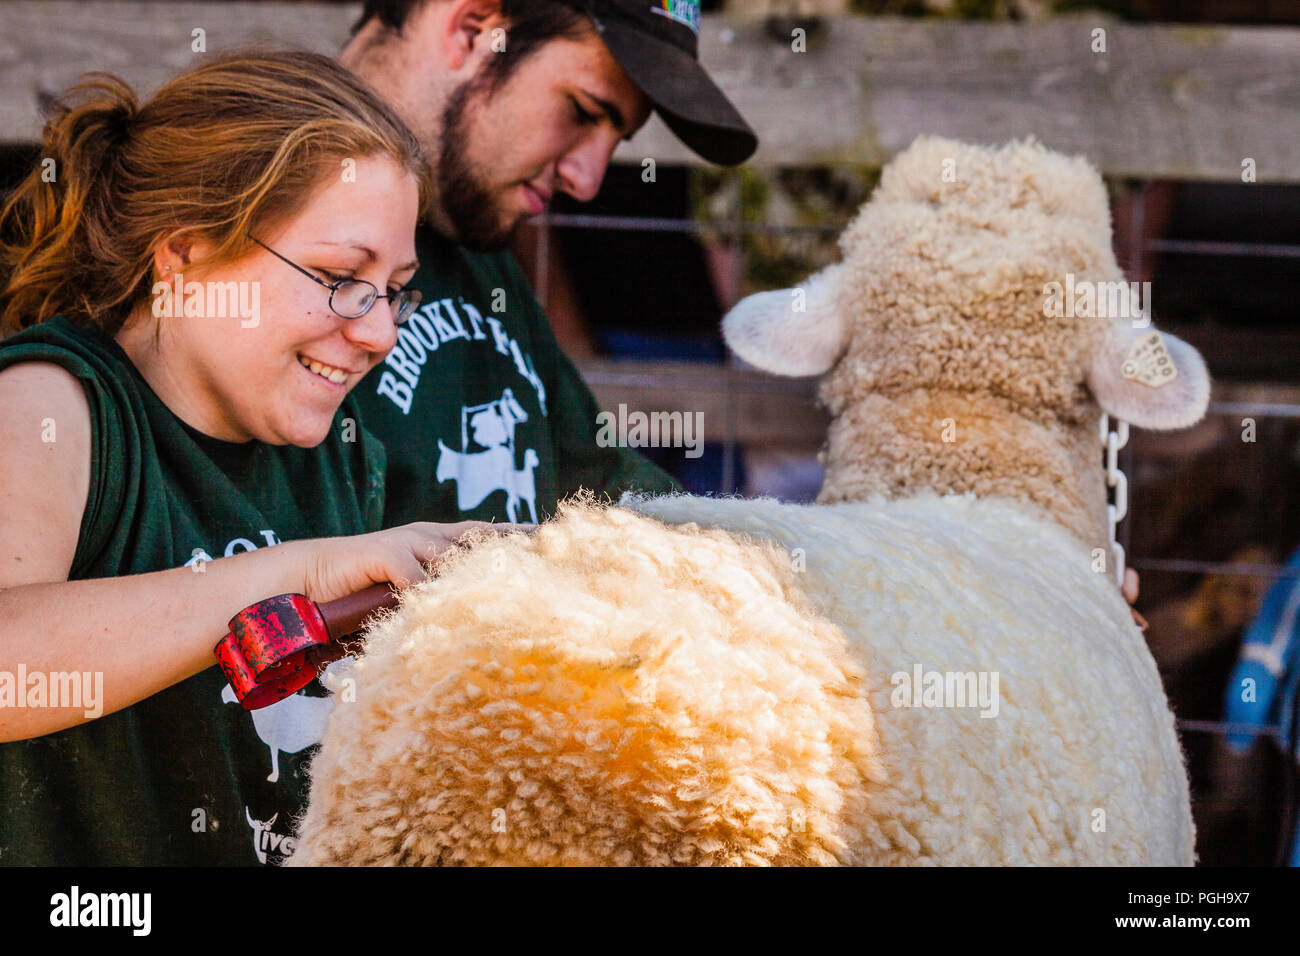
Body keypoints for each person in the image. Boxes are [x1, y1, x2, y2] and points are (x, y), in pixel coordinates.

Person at [0, 51, 517, 865]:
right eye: (341, 276)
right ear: (186, 255)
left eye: (395, 288)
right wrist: (301, 575)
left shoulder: (338, 453)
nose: (380, 330)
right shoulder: (52, 404)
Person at [338, 0, 759, 527]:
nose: (588, 180)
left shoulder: (475, 249)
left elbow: (610, 485)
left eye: (618, 139)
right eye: (582, 111)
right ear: (472, 31)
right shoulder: (261, 240)